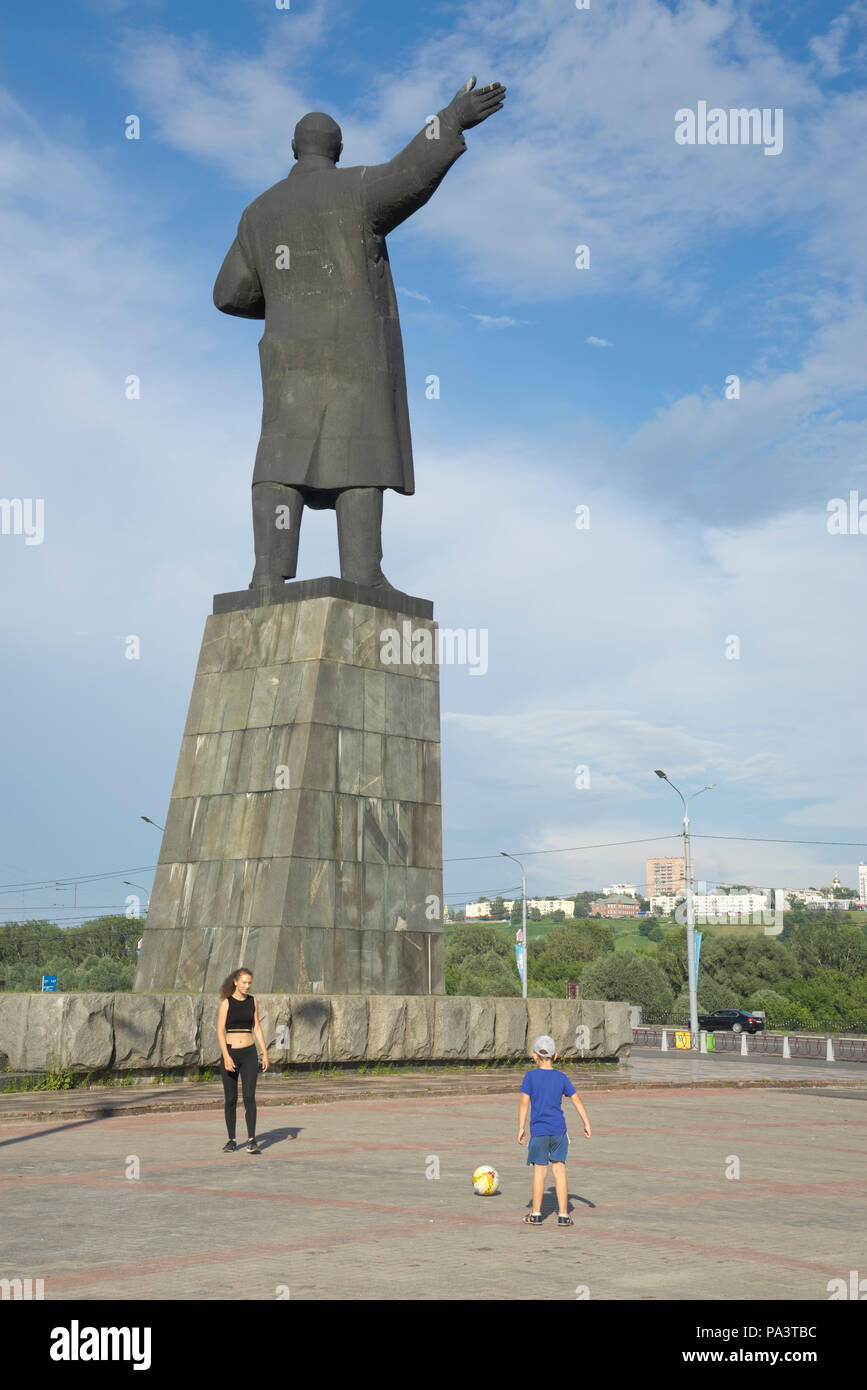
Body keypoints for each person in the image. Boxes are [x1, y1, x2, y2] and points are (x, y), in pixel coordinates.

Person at [213, 77, 506, 592]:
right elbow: (411, 172)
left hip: (287, 355)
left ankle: (266, 576)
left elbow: (230, 292)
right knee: (360, 454)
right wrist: (452, 117)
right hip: (354, 352)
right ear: (339, 149)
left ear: (293, 149)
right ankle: (364, 575)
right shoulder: (356, 190)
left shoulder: (258, 212)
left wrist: (286, 303)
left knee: (283, 454)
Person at [517, 1034, 591, 1226]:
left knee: (540, 1172)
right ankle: (564, 1215)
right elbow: (576, 1099)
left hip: (539, 1132)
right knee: (560, 1171)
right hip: (559, 1132)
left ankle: (535, 1214)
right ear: (555, 1056)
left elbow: (524, 1104)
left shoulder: (530, 1077)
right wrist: (586, 1122)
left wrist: (521, 1128)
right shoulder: (561, 1077)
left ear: (534, 1056)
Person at [217, 967, 269, 1154]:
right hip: (230, 1053)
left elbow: (256, 1028)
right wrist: (226, 1056)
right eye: (244, 982)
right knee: (230, 1099)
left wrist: (264, 1052)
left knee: (249, 1097)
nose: (247, 986)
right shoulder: (226, 1003)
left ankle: (252, 1140)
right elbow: (220, 1031)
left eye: (249, 983)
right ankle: (231, 1140)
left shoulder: (252, 1001)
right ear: (236, 982)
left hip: (249, 1053)